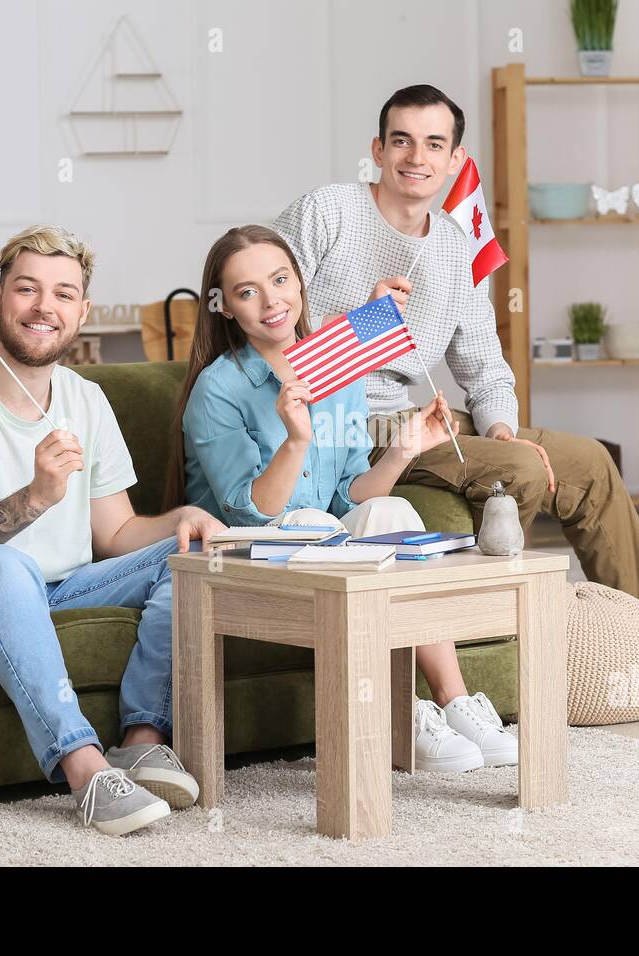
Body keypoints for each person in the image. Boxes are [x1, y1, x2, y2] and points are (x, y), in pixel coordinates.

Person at [273, 84, 639, 690]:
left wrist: (500, 428)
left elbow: (485, 366)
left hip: (421, 418)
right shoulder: (327, 213)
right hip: (343, 425)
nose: (417, 157)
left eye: (434, 144)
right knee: (516, 469)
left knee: (588, 462)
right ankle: (512, 657)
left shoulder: (456, 249)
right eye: (402, 141)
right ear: (378, 149)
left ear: (455, 160)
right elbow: (262, 319)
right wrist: (362, 324)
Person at [0, 225, 224, 835]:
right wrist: (33, 499)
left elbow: (116, 533)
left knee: (182, 556)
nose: (44, 307)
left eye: (63, 294)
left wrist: (180, 521)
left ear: (81, 311)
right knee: (5, 564)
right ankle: (84, 770)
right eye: (27, 289)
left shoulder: (86, 401)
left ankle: (140, 739)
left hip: (54, 589)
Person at [162, 224, 521, 772]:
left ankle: (451, 700)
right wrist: (296, 438)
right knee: (305, 517)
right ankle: (400, 712)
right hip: (242, 555)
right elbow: (250, 511)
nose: (271, 300)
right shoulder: (219, 388)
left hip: (322, 545)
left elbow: (348, 493)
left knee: (393, 511)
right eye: (247, 291)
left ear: (300, 284)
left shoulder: (334, 367)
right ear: (226, 308)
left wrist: (400, 453)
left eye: (280, 280)